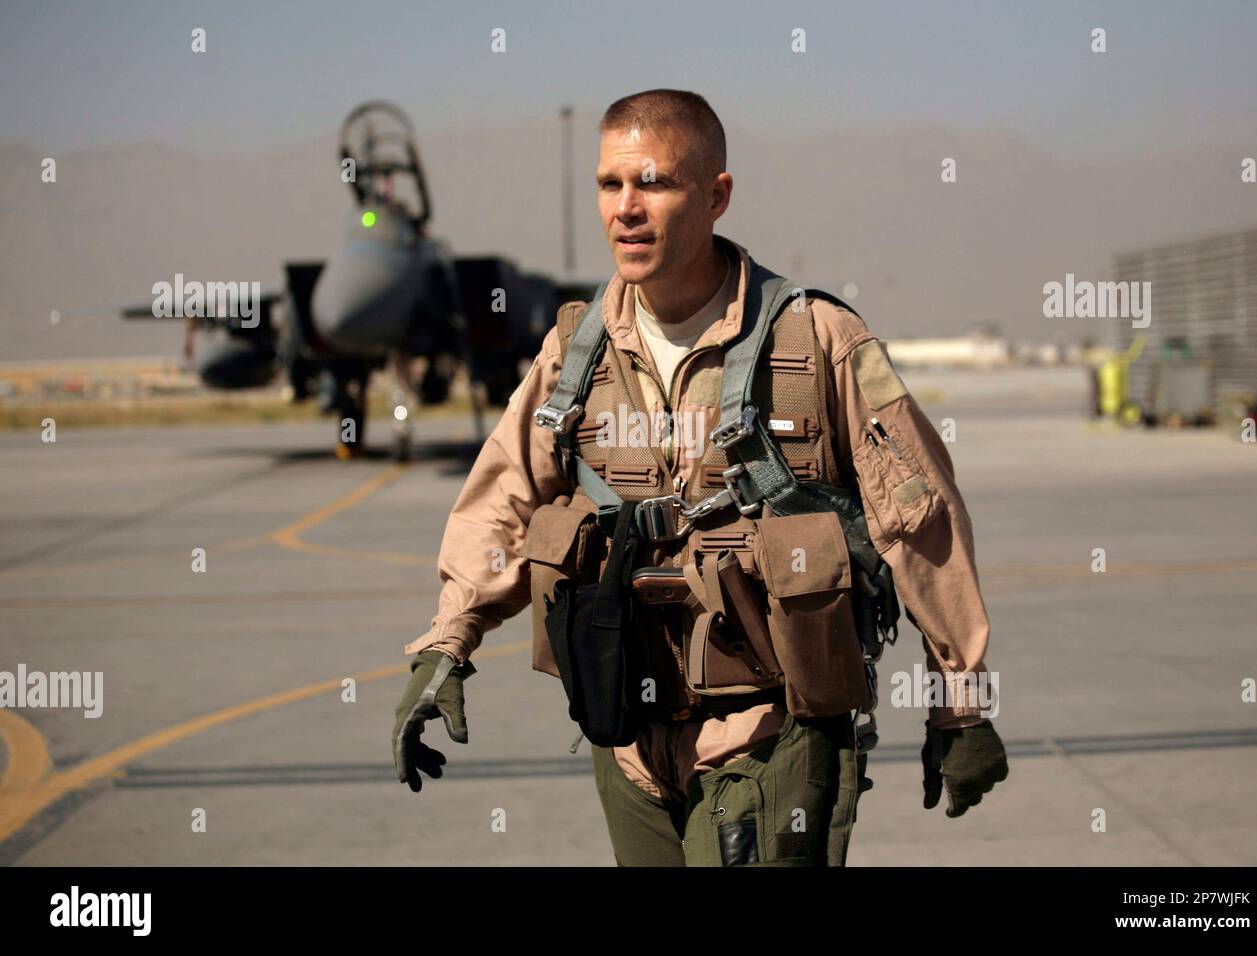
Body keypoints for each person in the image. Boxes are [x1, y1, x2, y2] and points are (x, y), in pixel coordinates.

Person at [392, 89, 1008, 866]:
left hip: (769, 734)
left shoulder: (818, 339)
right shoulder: (574, 353)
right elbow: (502, 502)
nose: (626, 209)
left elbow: (922, 525)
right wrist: (446, 646)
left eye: (653, 183)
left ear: (716, 195)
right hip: (625, 739)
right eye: (610, 185)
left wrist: (962, 706)